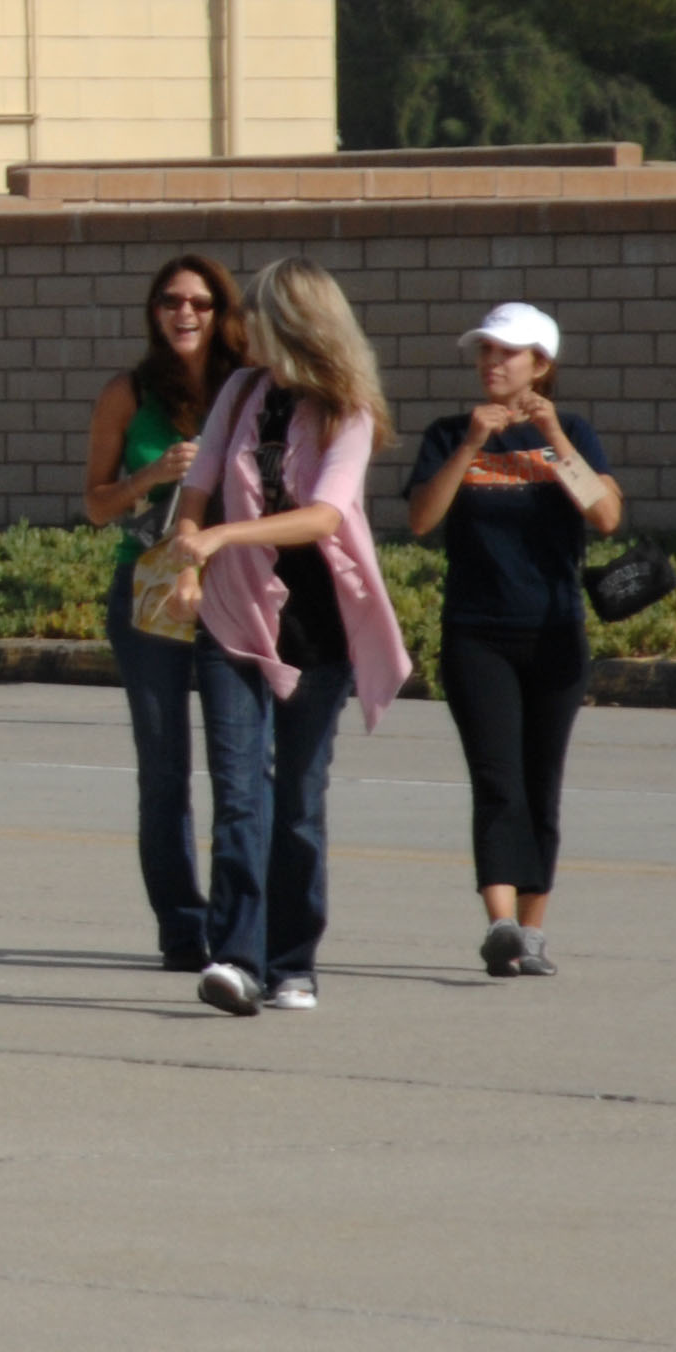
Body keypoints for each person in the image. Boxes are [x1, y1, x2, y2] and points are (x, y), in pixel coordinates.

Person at [155, 257, 408, 1020]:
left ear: (294, 324)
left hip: (317, 624)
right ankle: (237, 957)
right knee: (239, 795)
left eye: (254, 315)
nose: (240, 329)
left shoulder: (348, 410)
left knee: (296, 799)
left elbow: (325, 517)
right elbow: (195, 489)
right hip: (233, 617)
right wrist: (192, 556)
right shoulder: (238, 393)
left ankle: (293, 960)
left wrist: (225, 535)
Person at [400, 300, 621, 982]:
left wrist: (554, 438)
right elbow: (421, 519)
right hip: (477, 635)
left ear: (541, 365)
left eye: (507, 352)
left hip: (555, 635)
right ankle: (499, 926)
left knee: (540, 785)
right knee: (497, 781)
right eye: (485, 352)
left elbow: (607, 515)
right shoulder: (448, 433)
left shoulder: (573, 431)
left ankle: (533, 933)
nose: (492, 364)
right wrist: (469, 443)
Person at [82, 255, 244, 971]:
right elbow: (95, 504)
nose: (185, 314)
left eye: (200, 304)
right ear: (153, 311)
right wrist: (151, 475)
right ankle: (183, 930)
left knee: (241, 771)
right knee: (164, 771)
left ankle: (243, 925)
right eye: (170, 302)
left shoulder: (246, 388)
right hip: (149, 597)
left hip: (232, 591)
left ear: (221, 313)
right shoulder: (129, 391)